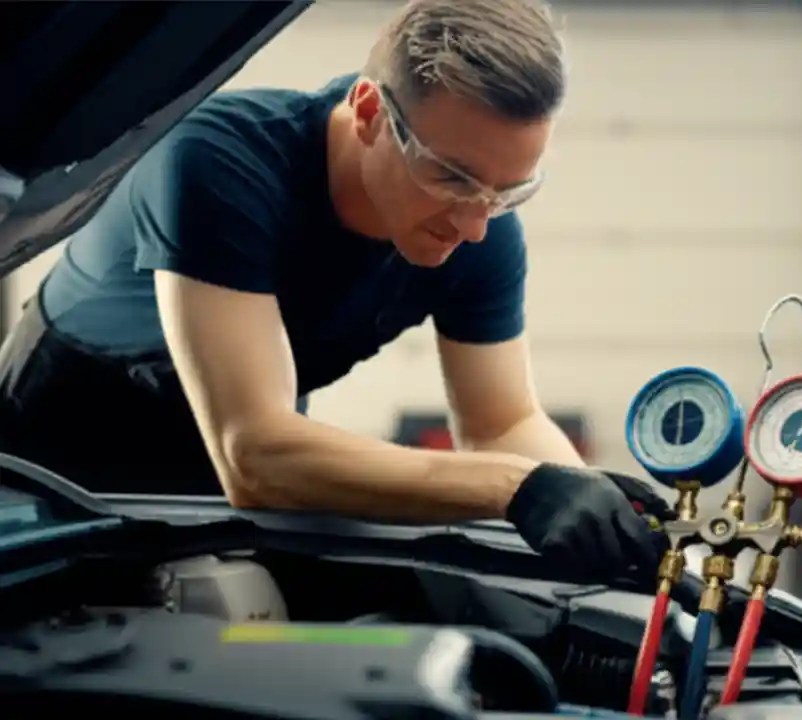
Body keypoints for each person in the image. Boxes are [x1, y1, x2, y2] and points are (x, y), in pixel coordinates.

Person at [0, 0, 673, 584]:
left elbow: (502, 422)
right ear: (370, 111)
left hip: (246, 455)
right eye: (451, 177)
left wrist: (599, 514)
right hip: (56, 457)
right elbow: (255, 454)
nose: (474, 224)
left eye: (508, 192)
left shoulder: (482, 227)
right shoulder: (217, 161)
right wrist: (516, 488)